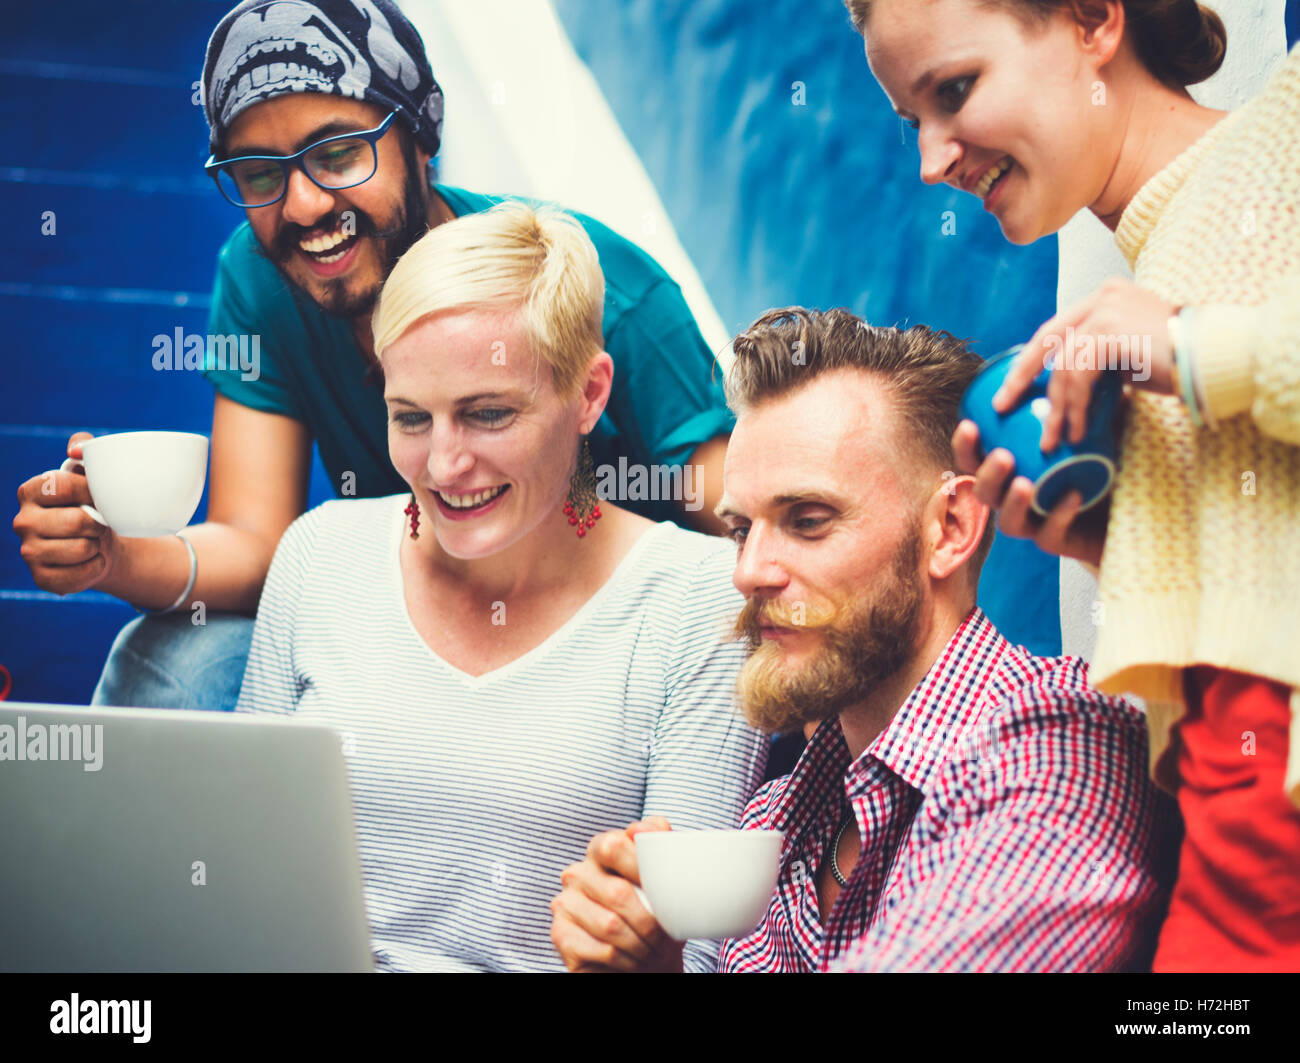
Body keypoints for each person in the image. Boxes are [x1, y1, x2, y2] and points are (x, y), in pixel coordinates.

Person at [11, 0, 732, 711]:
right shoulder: (263, 282)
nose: (303, 207)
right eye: (260, 173)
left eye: (337, 154)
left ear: (422, 137)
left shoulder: (612, 297)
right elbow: (256, 543)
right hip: (419, 628)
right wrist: (114, 556)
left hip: (606, 653)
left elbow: (752, 528)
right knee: (184, 657)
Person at [849, 0, 1300, 971]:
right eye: (909, 121)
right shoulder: (1154, 254)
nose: (932, 159)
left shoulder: (1286, 141)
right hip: (1226, 830)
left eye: (954, 91)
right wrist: (1108, 541)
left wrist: (1177, 346)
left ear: (1095, 20)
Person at [549, 307, 1176, 973]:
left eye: (808, 520)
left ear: (953, 526)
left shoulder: (1060, 750)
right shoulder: (781, 817)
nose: (749, 571)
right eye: (741, 530)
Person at [234, 201, 767, 972]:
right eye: (410, 417)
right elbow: (243, 864)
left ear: (589, 394)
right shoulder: (320, 553)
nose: (444, 466)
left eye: (487, 414)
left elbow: (704, 952)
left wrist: (650, 952)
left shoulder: (698, 600)